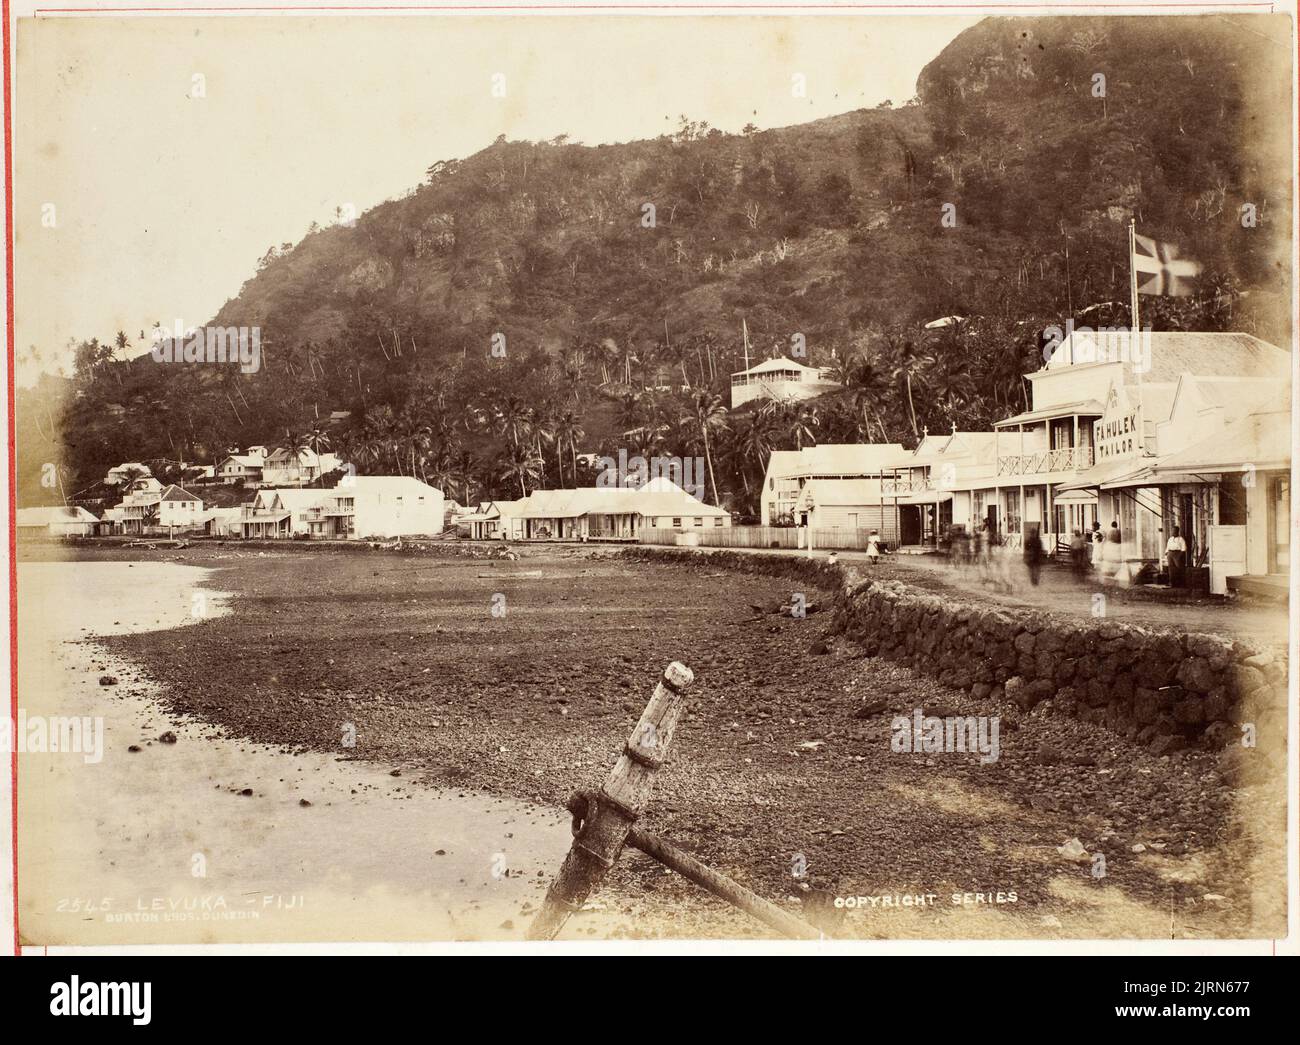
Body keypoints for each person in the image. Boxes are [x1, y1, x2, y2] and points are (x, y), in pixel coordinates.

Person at [1099, 520, 1123, 584]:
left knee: (1110, 560)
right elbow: (1120, 538)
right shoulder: (1118, 531)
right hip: (1117, 545)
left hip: (1111, 544)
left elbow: (1108, 538)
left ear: (1111, 525)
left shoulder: (1109, 531)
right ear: (1116, 525)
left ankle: (1110, 574)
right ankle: (1114, 573)